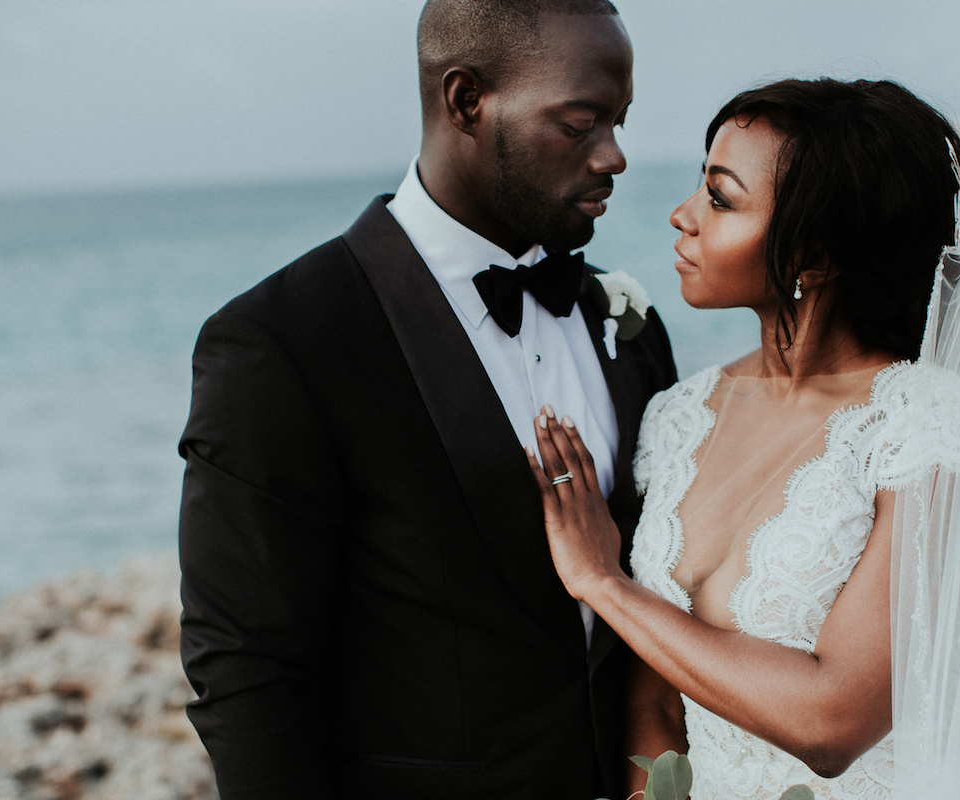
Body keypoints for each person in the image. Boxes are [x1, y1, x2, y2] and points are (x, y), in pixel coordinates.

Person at [176, 1, 676, 798]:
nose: (614, 156)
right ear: (466, 100)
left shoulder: (627, 325)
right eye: (581, 123)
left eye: (618, 121)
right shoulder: (284, 340)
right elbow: (246, 667)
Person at [526, 79, 960, 800]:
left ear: (815, 256)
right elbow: (657, 699)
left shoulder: (933, 428)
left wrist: (601, 582)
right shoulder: (677, 415)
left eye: (720, 199)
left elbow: (834, 722)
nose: (681, 217)